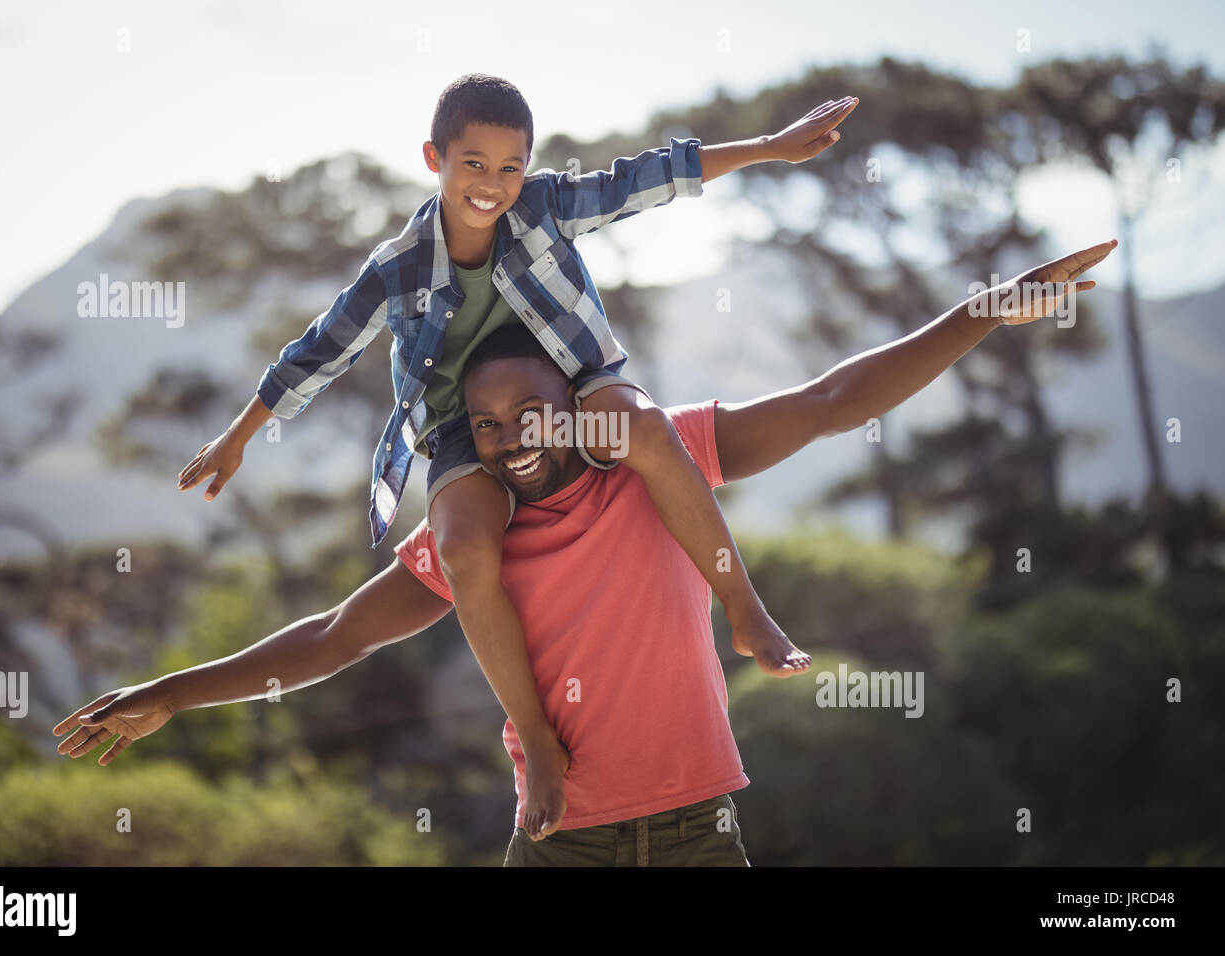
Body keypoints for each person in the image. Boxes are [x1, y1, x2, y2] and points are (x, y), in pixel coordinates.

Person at [56, 238, 1116, 865]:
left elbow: (834, 400)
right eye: (486, 422)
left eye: (533, 408)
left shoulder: (664, 464)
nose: (512, 430)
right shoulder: (469, 541)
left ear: (580, 407)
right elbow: (333, 638)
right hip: (562, 840)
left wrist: (989, 306)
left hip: (701, 834)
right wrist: (170, 692)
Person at [172, 73, 862, 838]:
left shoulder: (541, 208)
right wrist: (238, 436)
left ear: (527, 169)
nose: (491, 186)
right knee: (465, 548)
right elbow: (318, 351)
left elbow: (641, 181)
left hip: (570, 387)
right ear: (435, 157)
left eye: (509, 168)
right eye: (473, 165)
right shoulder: (397, 268)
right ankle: (537, 739)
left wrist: (768, 148)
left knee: (650, 433)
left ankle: (746, 610)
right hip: (467, 429)